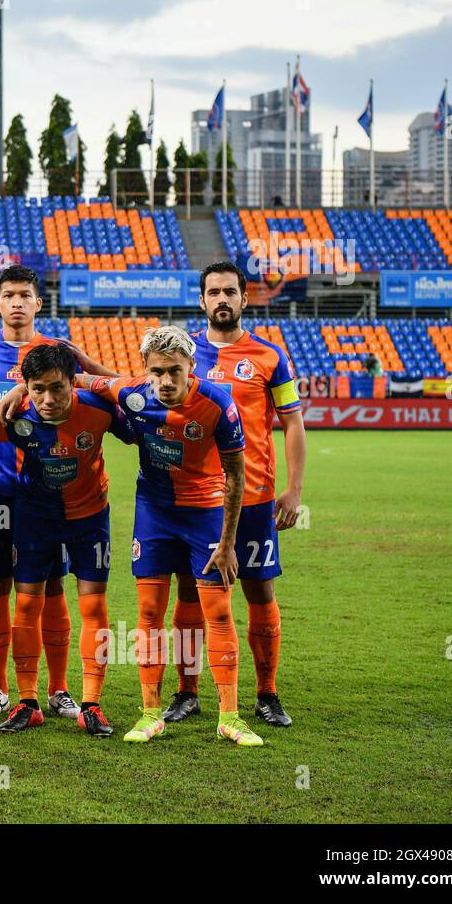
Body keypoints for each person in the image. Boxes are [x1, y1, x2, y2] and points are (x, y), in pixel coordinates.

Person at [42, 325, 264, 747]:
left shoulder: (219, 404)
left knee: (217, 612)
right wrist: (23, 390)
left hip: (205, 514)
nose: (165, 381)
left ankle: (231, 718)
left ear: (191, 368)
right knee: (148, 614)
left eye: (174, 372)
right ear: (145, 371)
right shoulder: (134, 392)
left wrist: (229, 541)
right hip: (155, 515)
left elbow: (236, 476)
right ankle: (149, 714)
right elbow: (85, 381)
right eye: (157, 372)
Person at [0, 263, 115, 721]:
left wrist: (25, 386)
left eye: (25, 294)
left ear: (39, 303)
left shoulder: (56, 353)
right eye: (8, 295)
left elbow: (112, 388)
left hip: (47, 493)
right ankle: (0, 688)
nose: (17, 302)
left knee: (53, 585)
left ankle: (59, 689)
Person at [165, 261, 306, 728]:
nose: (222, 299)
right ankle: (187, 692)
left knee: (259, 589)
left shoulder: (270, 356)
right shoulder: (181, 355)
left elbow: (293, 423)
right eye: (213, 292)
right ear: (202, 301)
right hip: (196, 498)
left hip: (256, 496)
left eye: (230, 292)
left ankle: (267, 694)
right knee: (190, 592)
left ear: (245, 299)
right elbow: (137, 394)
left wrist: (293, 490)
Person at [0, 343, 132, 736]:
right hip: (35, 521)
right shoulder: (13, 413)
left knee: (94, 608)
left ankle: (91, 704)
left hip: (90, 518)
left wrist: (93, 370)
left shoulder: (99, 407)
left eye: (57, 388)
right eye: (37, 389)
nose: (48, 399)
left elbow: (141, 399)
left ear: (73, 383)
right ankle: (27, 702)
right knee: (25, 607)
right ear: (25, 387)